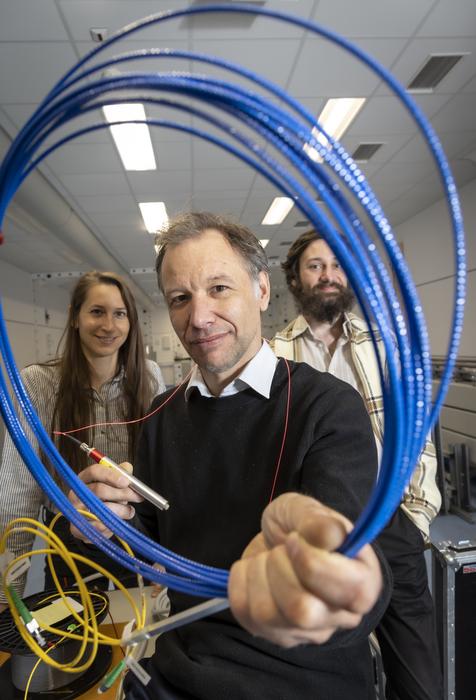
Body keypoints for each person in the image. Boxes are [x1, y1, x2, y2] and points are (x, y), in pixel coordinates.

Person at [69, 212, 391, 700]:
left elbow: (348, 567)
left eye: (219, 288)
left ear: (261, 290)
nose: (198, 317)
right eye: (180, 298)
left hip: (301, 680)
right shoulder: (162, 414)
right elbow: (148, 546)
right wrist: (103, 523)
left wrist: (335, 584)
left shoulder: (326, 406)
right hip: (180, 671)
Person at [272, 229, 443, 700]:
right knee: (332, 679)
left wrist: (418, 517)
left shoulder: (386, 347)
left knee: (419, 682)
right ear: (295, 278)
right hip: (316, 534)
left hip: (392, 522)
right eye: (315, 266)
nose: (328, 275)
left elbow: (418, 431)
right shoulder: (274, 357)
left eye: (337, 265)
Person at [0, 270, 165, 607]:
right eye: (96, 312)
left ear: (131, 322)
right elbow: (18, 489)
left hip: (137, 535)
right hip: (69, 543)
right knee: (80, 645)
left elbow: (164, 469)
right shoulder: (40, 382)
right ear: (75, 318)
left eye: (120, 314)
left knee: (141, 646)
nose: (109, 325)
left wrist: (167, 552)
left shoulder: (150, 375)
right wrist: (8, 592)